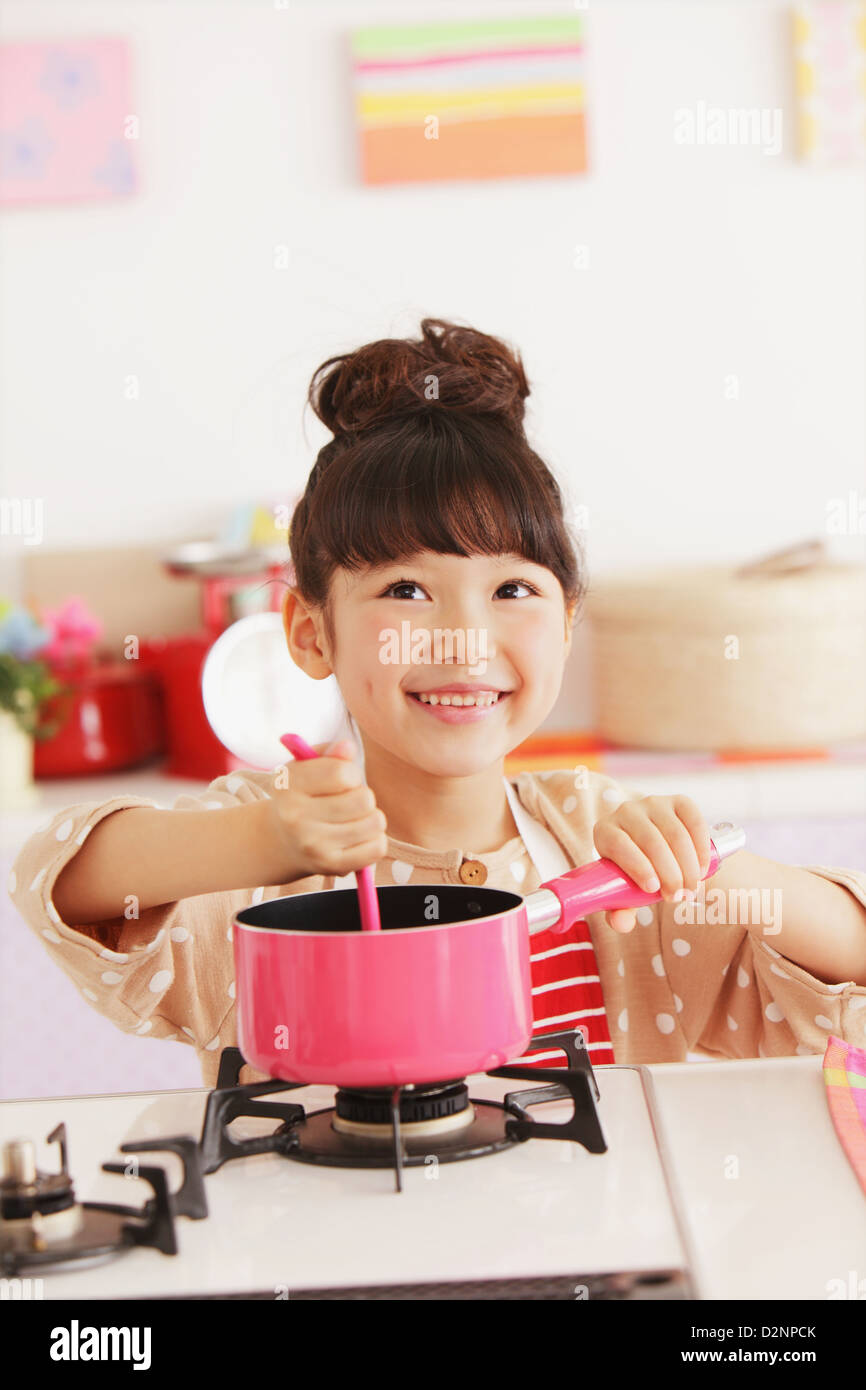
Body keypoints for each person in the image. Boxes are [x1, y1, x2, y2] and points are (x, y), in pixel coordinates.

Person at [9, 318, 866, 1089]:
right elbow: (61, 883)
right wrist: (256, 839)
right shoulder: (260, 865)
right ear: (310, 632)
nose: (461, 640)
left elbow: (853, 966)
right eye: (408, 589)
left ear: (567, 625)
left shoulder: (595, 840)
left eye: (513, 590)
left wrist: (704, 869)